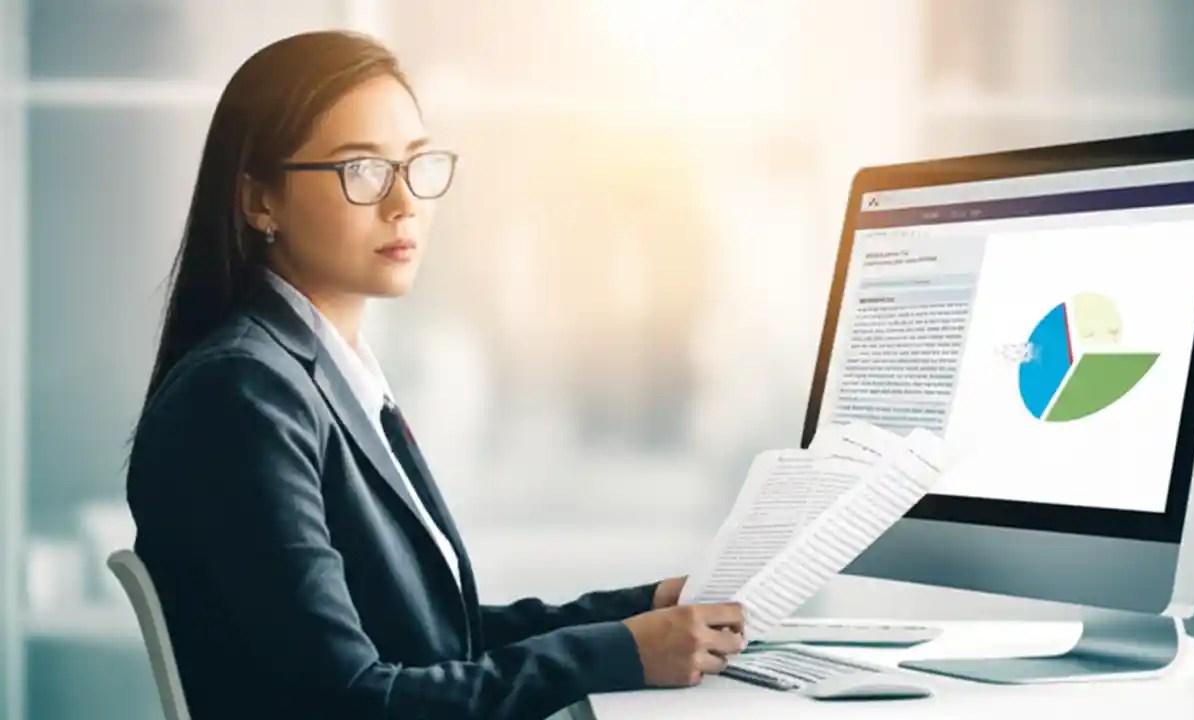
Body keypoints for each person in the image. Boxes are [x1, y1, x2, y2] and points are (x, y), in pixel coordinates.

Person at [125, 30, 746, 720]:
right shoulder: (244, 396)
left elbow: (432, 638)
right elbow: (350, 701)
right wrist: (620, 652)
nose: (405, 204)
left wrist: (637, 613)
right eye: (361, 170)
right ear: (259, 201)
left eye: (416, 165)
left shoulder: (326, 378)